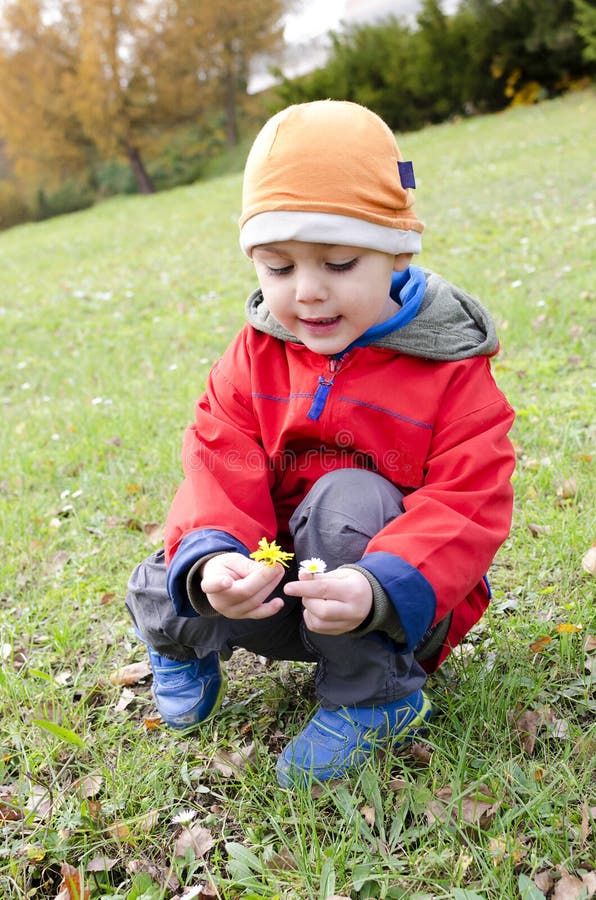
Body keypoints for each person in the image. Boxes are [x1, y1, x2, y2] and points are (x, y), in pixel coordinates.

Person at [126, 100, 515, 789]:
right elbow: (220, 456)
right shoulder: (256, 354)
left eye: (339, 261)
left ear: (397, 250)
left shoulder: (450, 368)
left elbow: (469, 502)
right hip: (281, 585)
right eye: (278, 269)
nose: (307, 292)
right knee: (175, 567)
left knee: (347, 498)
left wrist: (378, 586)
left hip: (387, 602)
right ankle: (184, 650)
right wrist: (219, 560)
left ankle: (374, 699)